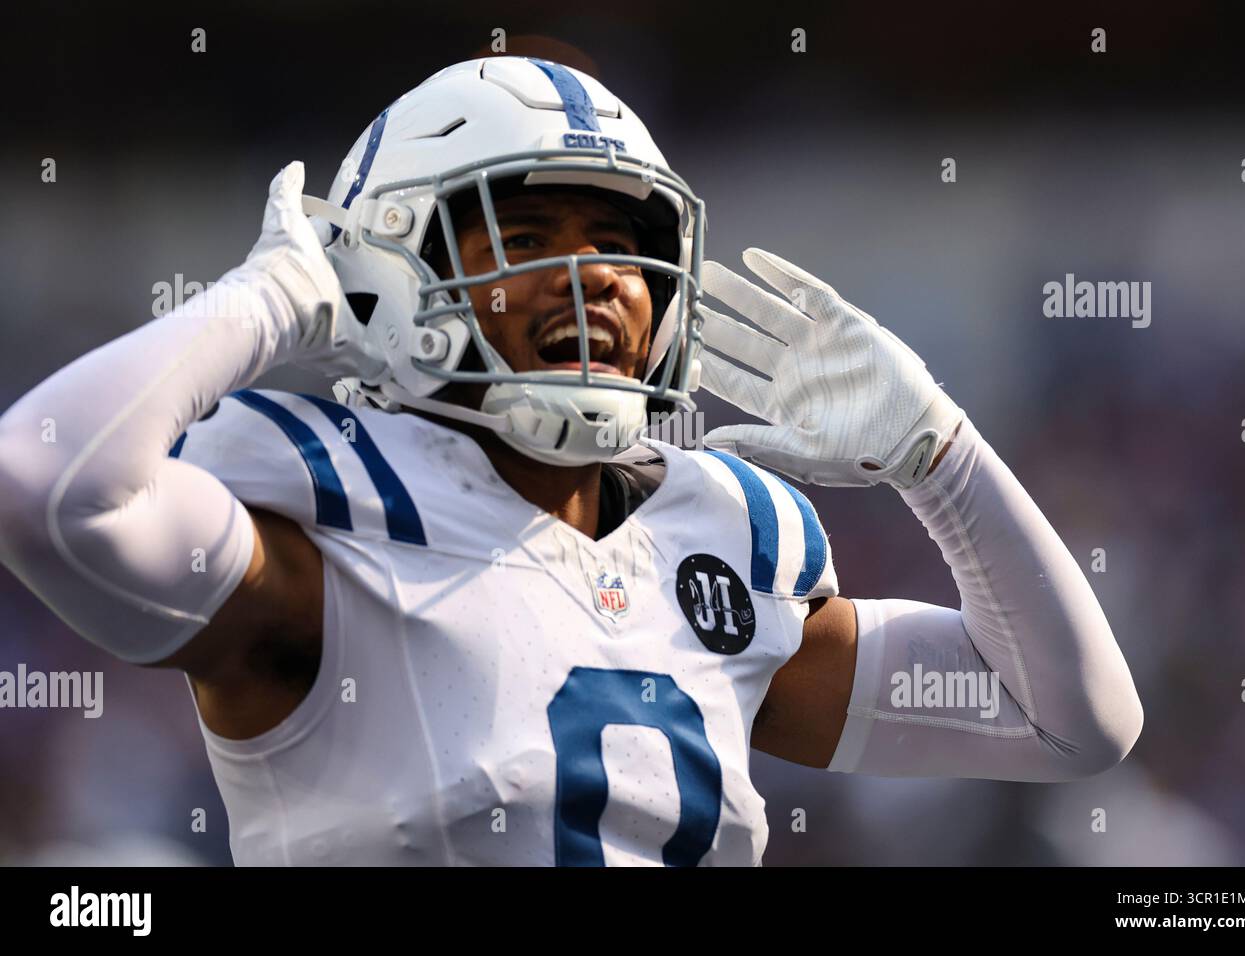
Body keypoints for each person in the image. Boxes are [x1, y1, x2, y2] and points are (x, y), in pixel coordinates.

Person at [0, 56, 1142, 866]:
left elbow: (1073, 719)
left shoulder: (721, 539)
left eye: (618, 241)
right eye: (526, 237)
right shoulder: (325, 526)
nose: (592, 273)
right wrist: (266, 301)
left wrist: (937, 453)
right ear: (386, 273)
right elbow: (42, 483)